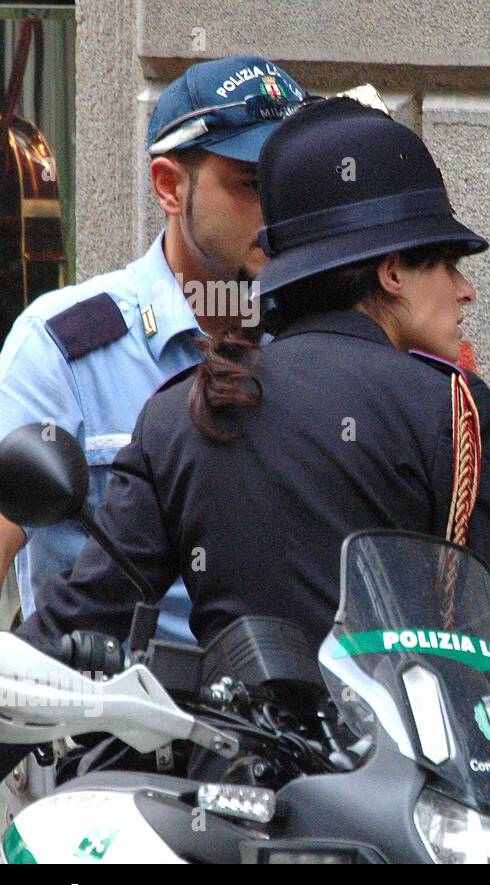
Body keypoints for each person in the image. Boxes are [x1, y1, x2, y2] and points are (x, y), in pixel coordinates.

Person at [7, 97, 490, 769]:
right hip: (408, 793)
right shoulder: (452, 407)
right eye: (445, 262)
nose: (465, 289)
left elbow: (79, 617)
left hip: (228, 797)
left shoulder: (181, 409)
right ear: (390, 272)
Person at [0, 56, 311, 642]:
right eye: (250, 183)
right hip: (108, 713)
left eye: (291, 181)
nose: (280, 209)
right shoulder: (64, 346)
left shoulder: (318, 341)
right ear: (170, 186)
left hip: (289, 718)